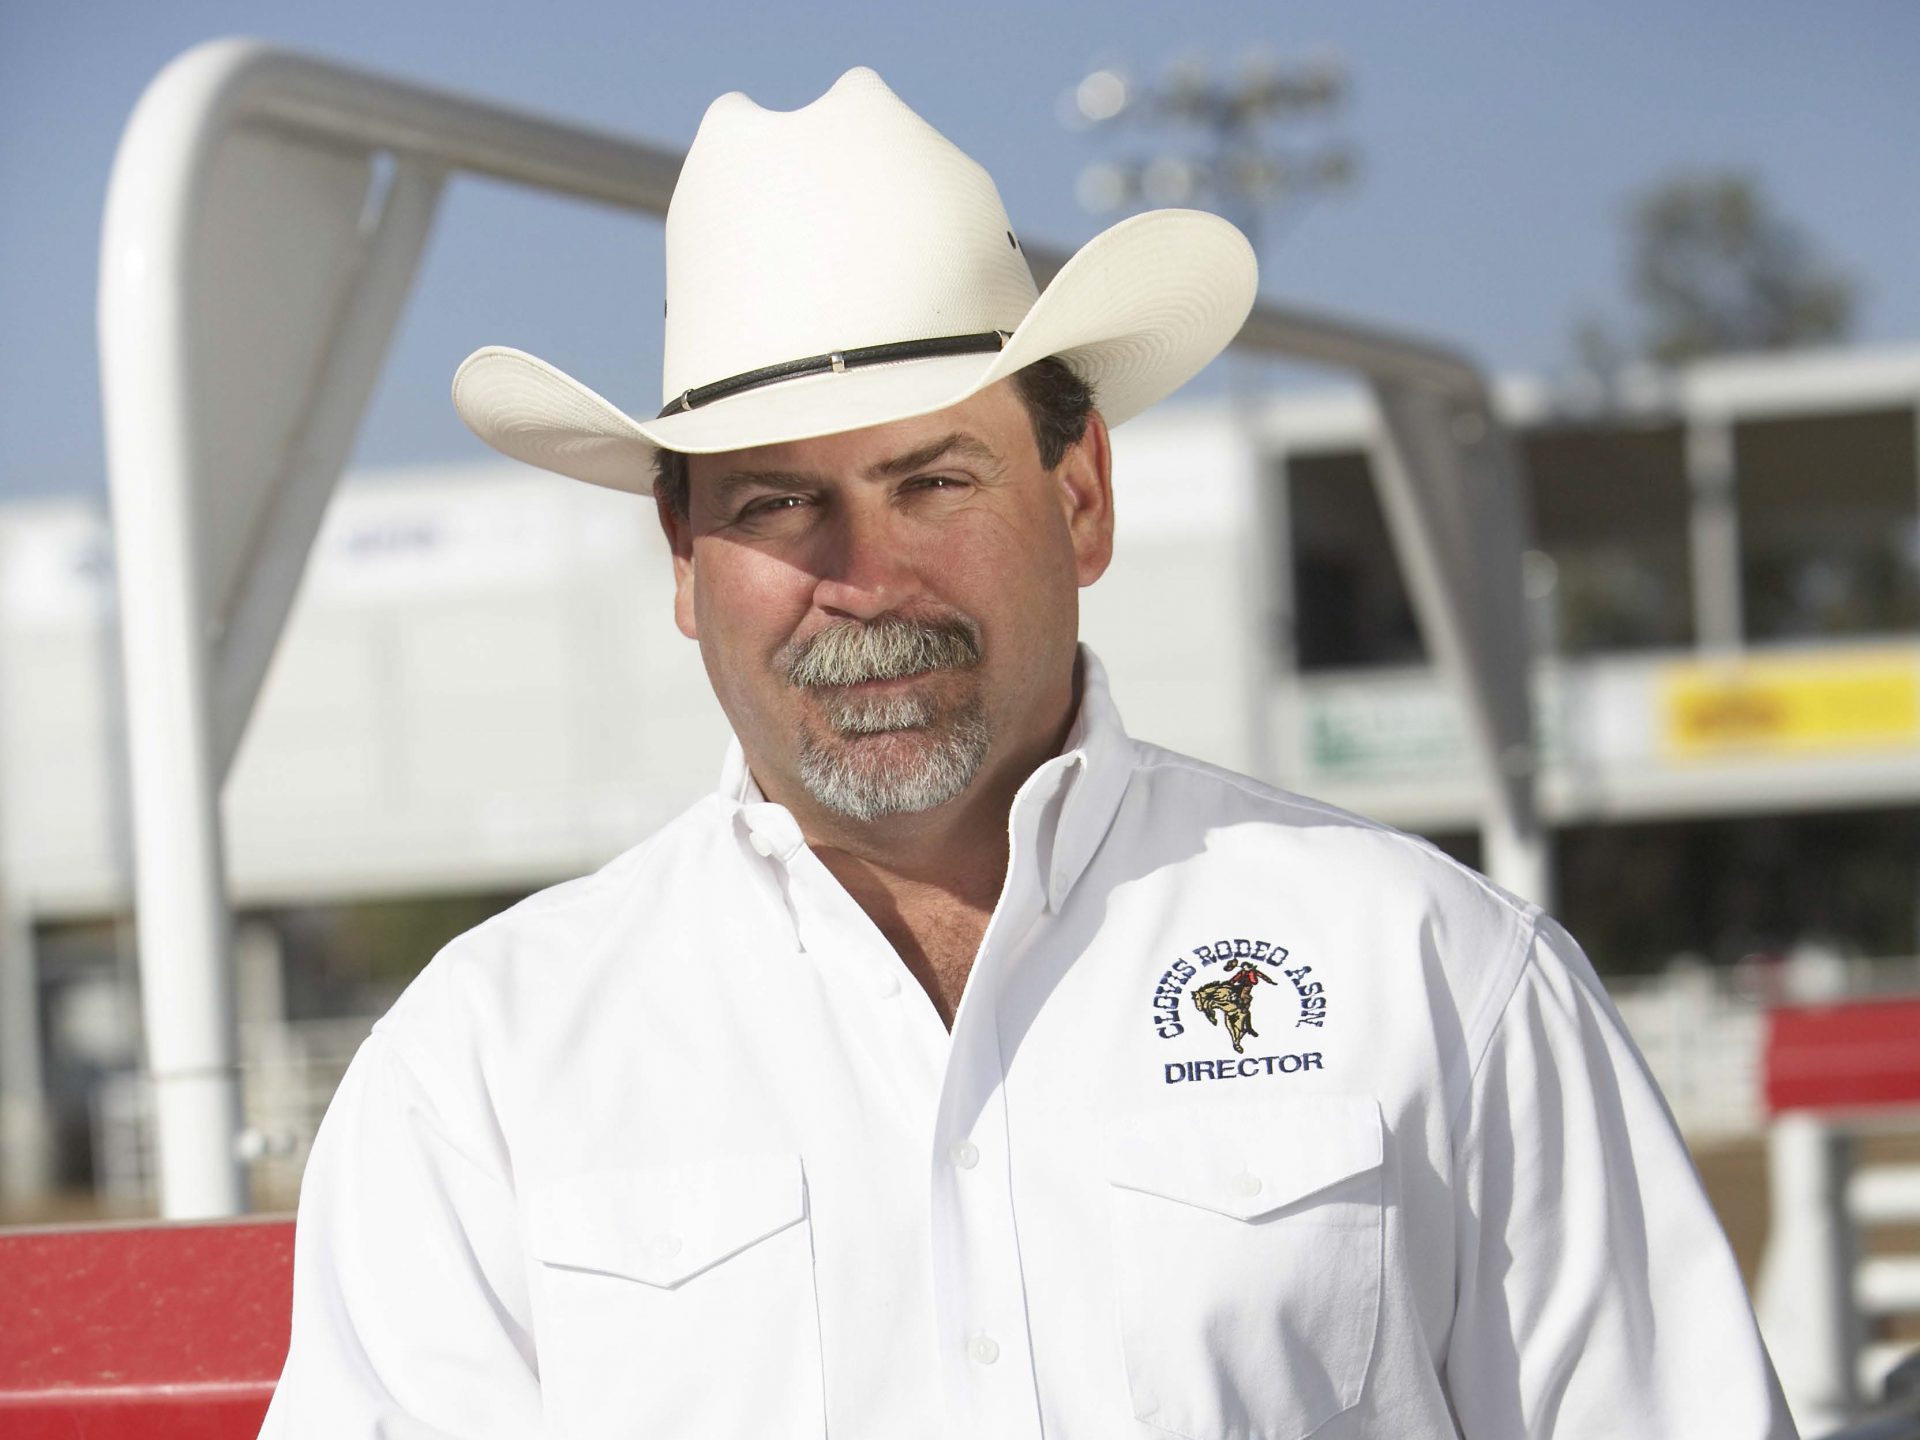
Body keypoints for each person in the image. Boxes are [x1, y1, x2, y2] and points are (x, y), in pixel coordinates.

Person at [262, 68, 1794, 1439]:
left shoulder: (1440, 971)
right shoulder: (483, 1068)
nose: (862, 580)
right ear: (681, 562)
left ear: (1081, 501)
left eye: (931, 480)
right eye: (774, 505)